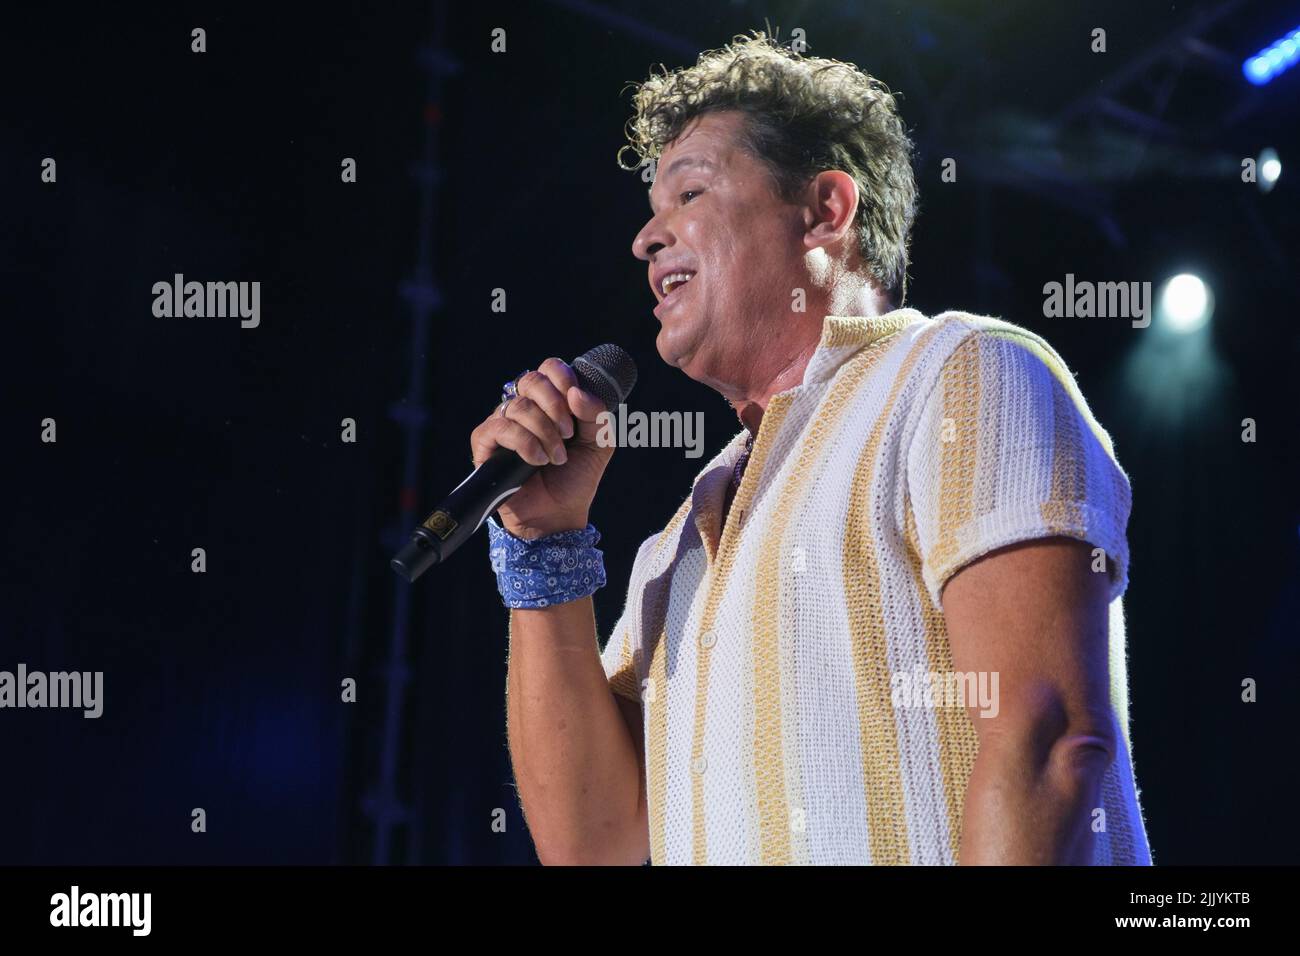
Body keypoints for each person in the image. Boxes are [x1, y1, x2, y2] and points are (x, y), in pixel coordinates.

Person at [472, 31, 1152, 865]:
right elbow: (593, 840)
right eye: (650, 215)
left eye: (689, 195)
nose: (647, 241)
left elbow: (1048, 745)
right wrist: (545, 547)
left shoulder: (957, 374)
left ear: (827, 210)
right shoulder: (674, 545)